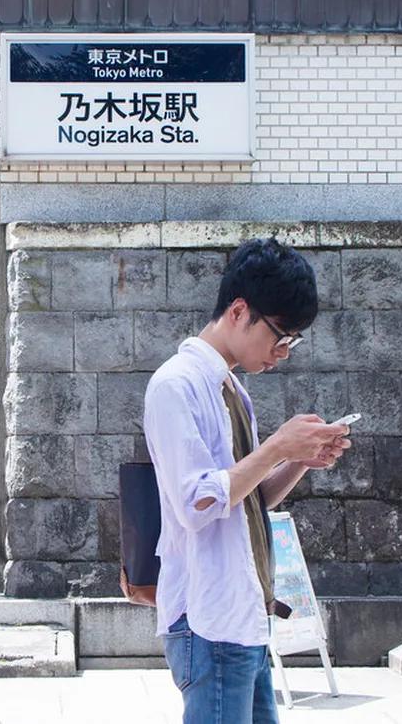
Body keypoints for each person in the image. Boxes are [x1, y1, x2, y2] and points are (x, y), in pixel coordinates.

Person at [144, 238, 352, 724]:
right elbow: (196, 503)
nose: (282, 353)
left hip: (244, 614)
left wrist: (301, 459)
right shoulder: (176, 384)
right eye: (281, 336)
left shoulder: (232, 387)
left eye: (292, 341)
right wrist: (277, 446)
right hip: (208, 617)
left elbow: (247, 500)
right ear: (239, 311)